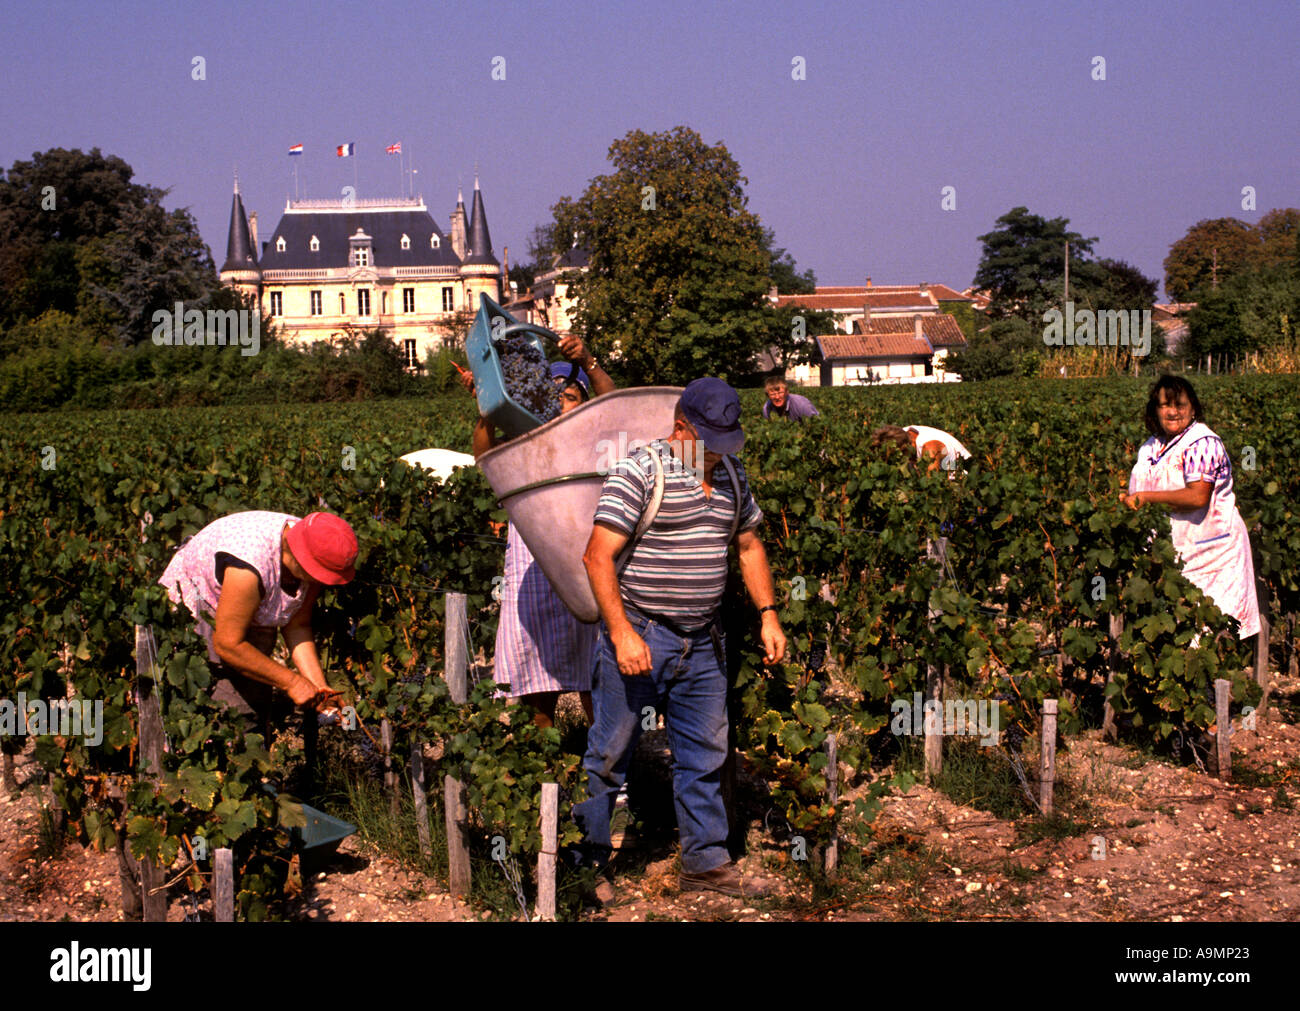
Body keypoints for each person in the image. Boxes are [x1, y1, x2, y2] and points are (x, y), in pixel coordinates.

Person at [575, 377, 787, 899]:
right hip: (643, 634)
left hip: (704, 641)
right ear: (681, 428)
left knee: (705, 752)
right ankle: (588, 865)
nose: (719, 452)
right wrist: (622, 633)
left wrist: (768, 614)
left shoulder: (733, 475)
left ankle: (705, 862)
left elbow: (750, 546)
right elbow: (596, 556)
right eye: (710, 440)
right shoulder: (639, 471)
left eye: (727, 440)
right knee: (610, 753)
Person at [473, 335, 615, 728]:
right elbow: (484, 456)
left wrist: (588, 359)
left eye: (570, 396)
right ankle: (545, 769)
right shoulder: (525, 442)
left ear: (585, 404)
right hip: (531, 562)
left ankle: (607, 768)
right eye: (554, 396)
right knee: (536, 678)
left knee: (597, 676)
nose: (561, 403)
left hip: (585, 562)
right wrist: (487, 407)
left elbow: (614, 406)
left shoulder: (597, 443)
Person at [158, 511, 359, 736]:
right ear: (305, 560)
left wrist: (320, 688)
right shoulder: (248, 568)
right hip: (198, 605)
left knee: (254, 699)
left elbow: (297, 625)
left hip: (250, 603)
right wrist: (292, 682)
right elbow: (227, 644)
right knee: (212, 705)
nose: (322, 582)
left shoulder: (314, 549)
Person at [1119, 375, 1259, 639]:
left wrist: (1146, 498)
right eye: (1164, 405)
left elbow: (1197, 497)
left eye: (1180, 405)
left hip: (1212, 554)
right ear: (1155, 409)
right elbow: (1143, 488)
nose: (1173, 412)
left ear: (1193, 407)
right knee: (1174, 632)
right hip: (1173, 553)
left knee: (1207, 635)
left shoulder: (1203, 443)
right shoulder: (1151, 446)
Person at [872, 424, 972, 475]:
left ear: (904, 447)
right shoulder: (902, 433)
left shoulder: (930, 447)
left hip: (958, 477)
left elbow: (931, 483)